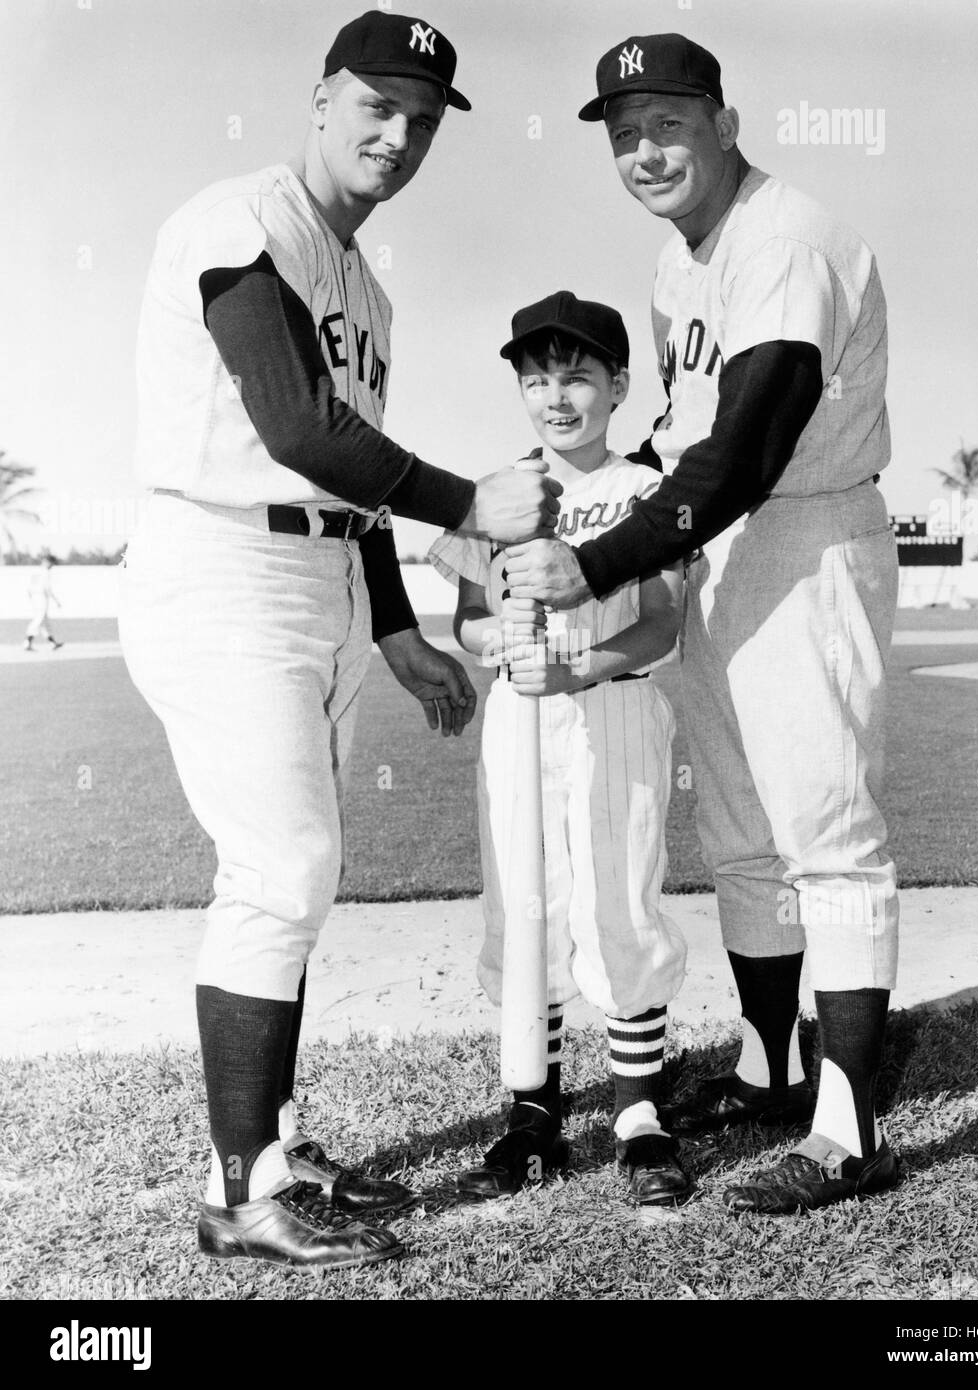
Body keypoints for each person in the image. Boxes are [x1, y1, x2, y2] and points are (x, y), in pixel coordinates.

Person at [119, 11, 559, 1270]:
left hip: (315, 575)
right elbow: (300, 427)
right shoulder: (236, 218)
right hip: (221, 561)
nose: (398, 133)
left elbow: (349, 486)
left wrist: (401, 626)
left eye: (421, 118)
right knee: (284, 864)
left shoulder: (365, 285)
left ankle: (271, 1149)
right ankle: (238, 1195)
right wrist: (469, 503)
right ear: (320, 100)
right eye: (376, 103)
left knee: (297, 878)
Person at [504, 32, 901, 1215]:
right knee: (739, 826)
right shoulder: (684, 259)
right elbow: (683, 447)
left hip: (801, 532)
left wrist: (595, 557)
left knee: (827, 831)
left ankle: (848, 1128)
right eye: (625, 133)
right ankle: (771, 1064)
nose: (645, 148)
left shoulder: (784, 238)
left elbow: (742, 450)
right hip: (718, 545)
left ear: (726, 123)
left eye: (669, 122)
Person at [429, 292, 690, 1207]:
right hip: (520, 718)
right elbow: (464, 620)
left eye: (576, 375)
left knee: (618, 892)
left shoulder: (645, 491)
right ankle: (532, 1109)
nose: (556, 396)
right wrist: (492, 641)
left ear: (618, 385)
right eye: (537, 379)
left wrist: (581, 668)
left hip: (612, 706)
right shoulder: (496, 493)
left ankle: (638, 1115)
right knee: (525, 898)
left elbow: (662, 625)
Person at [24, 554, 63, 652]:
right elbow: (47, 589)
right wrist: (56, 601)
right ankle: (27, 642)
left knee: (44, 622)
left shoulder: (35, 572)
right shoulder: (45, 572)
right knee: (38, 620)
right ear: (47, 562)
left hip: (34, 598)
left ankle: (53, 643)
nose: (52, 566)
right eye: (52, 564)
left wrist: (32, 599)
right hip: (42, 598)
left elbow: (28, 588)